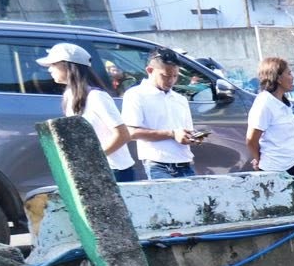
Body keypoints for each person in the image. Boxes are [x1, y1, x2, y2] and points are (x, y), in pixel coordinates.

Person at [37, 42, 136, 182]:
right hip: (92, 170)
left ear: (68, 65)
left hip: (115, 171)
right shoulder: (69, 95)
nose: (49, 70)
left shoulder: (96, 96)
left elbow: (123, 134)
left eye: (53, 64)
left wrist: (95, 156)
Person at [118, 47, 207, 179]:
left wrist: (192, 137)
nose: (171, 80)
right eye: (165, 76)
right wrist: (172, 134)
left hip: (185, 163)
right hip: (158, 165)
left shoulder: (180, 99)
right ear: (150, 70)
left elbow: (184, 131)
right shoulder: (136, 95)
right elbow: (131, 132)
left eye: (175, 76)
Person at [246, 56, 294, 177]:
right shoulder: (264, 103)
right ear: (278, 78)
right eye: (289, 73)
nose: (292, 78)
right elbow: (251, 140)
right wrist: (258, 159)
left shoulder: (283, 102)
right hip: (276, 169)